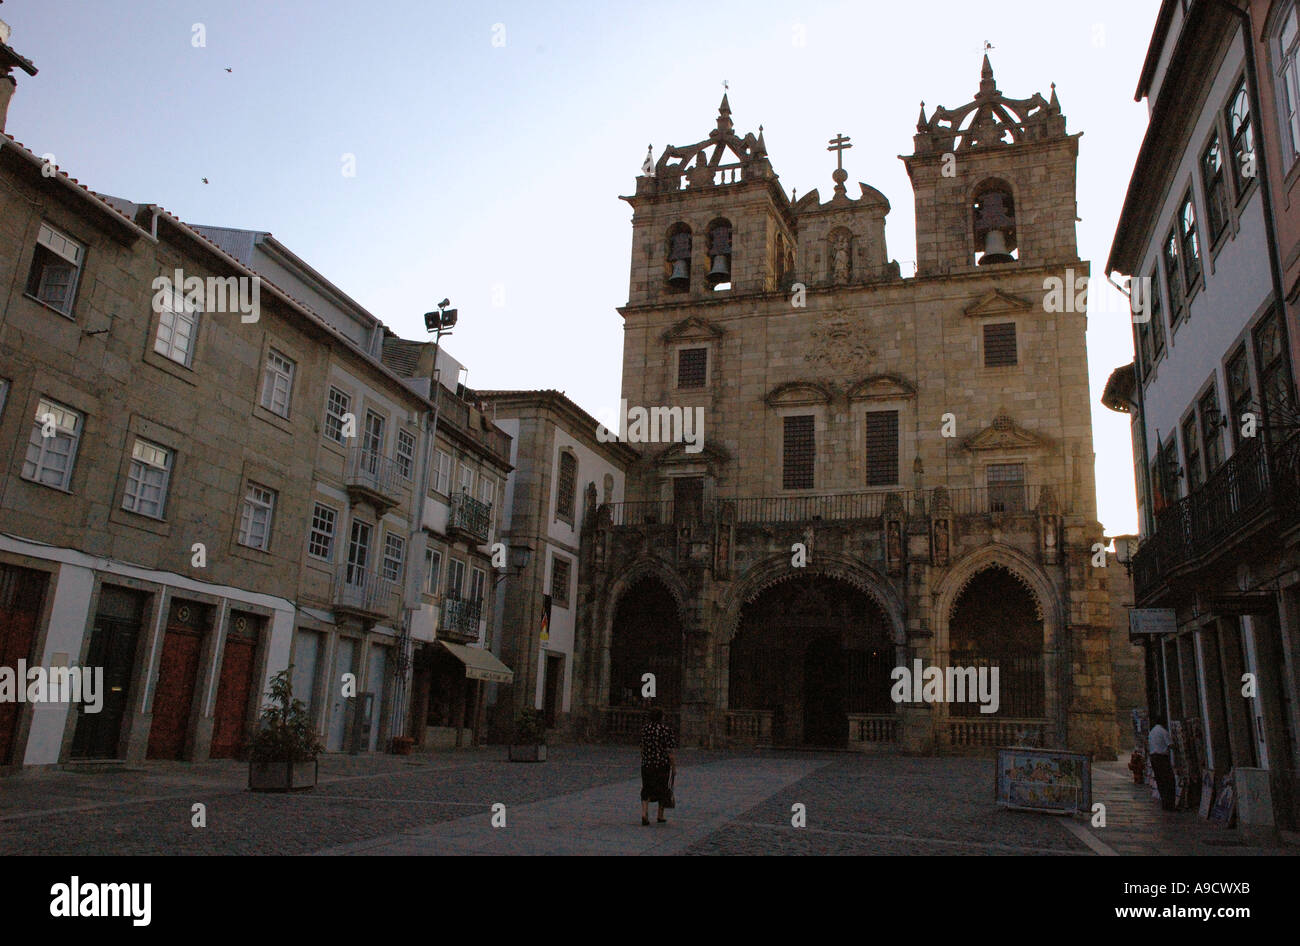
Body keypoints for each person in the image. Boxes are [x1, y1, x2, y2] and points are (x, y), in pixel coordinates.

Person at [639, 707, 676, 826]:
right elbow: (669, 751)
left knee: (646, 787)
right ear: (661, 717)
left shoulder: (645, 729)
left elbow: (642, 747)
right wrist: (674, 767)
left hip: (647, 763)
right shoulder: (666, 730)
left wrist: (644, 758)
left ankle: (644, 813)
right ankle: (660, 815)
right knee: (662, 787)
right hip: (662, 764)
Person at [1148, 716, 1176, 811]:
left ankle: (1164, 802)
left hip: (1153, 758)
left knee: (1160, 781)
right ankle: (1169, 804)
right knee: (1168, 781)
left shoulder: (1152, 732)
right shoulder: (1163, 731)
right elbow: (1170, 744)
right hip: (1162, 758)